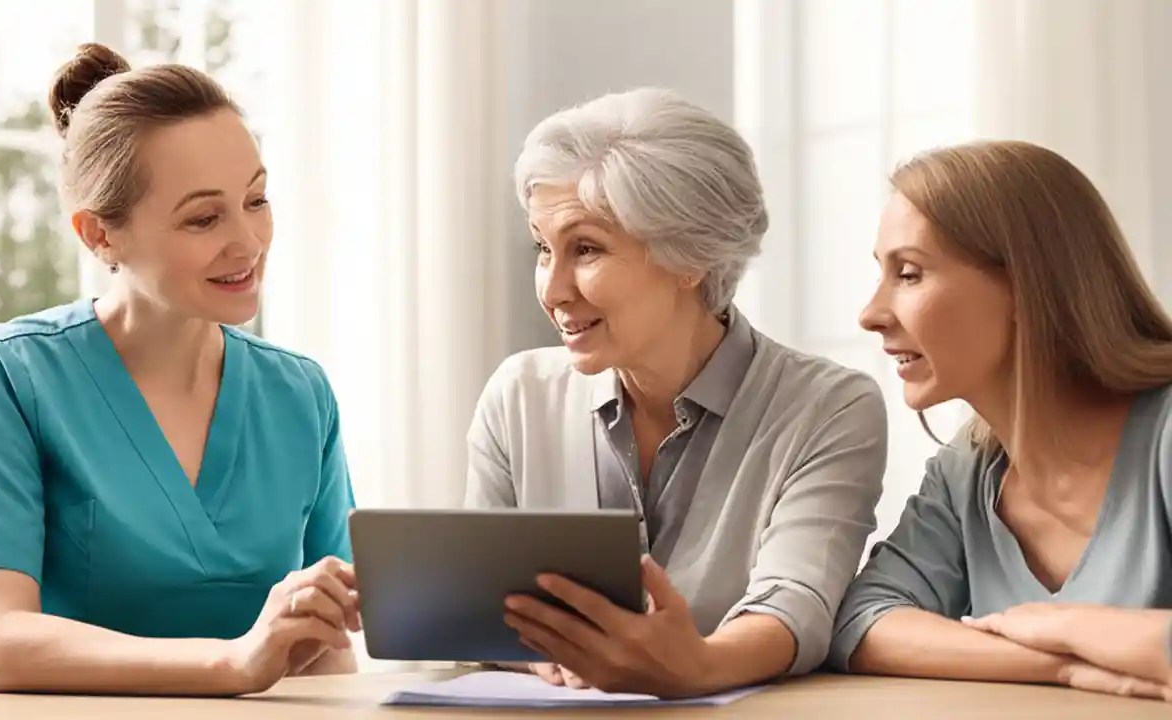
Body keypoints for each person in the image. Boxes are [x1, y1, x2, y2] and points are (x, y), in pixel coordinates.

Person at [0, 43, 359, 695]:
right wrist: (232, 663)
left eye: (255, 200)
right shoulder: (4, 375)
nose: (248, 242)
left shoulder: (300, 394)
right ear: (98, 235)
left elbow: (323, 649)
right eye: (204, 217)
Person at [465, 88, 889, 697]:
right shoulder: (518, 395)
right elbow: (483, 597)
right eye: (542, 248)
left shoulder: (828, 408)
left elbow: (797, 605)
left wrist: (695, 666)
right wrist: (542, 658)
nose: (553, 289)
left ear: (689, 256)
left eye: (585, 249)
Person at [829, 140, 1172, 702]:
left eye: (909, 274)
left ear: (1025, 285)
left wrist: (1066, 625)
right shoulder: (966, 472)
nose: (871, 315)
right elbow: (862, 622)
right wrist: (1059, 664)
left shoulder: (1164, 435)